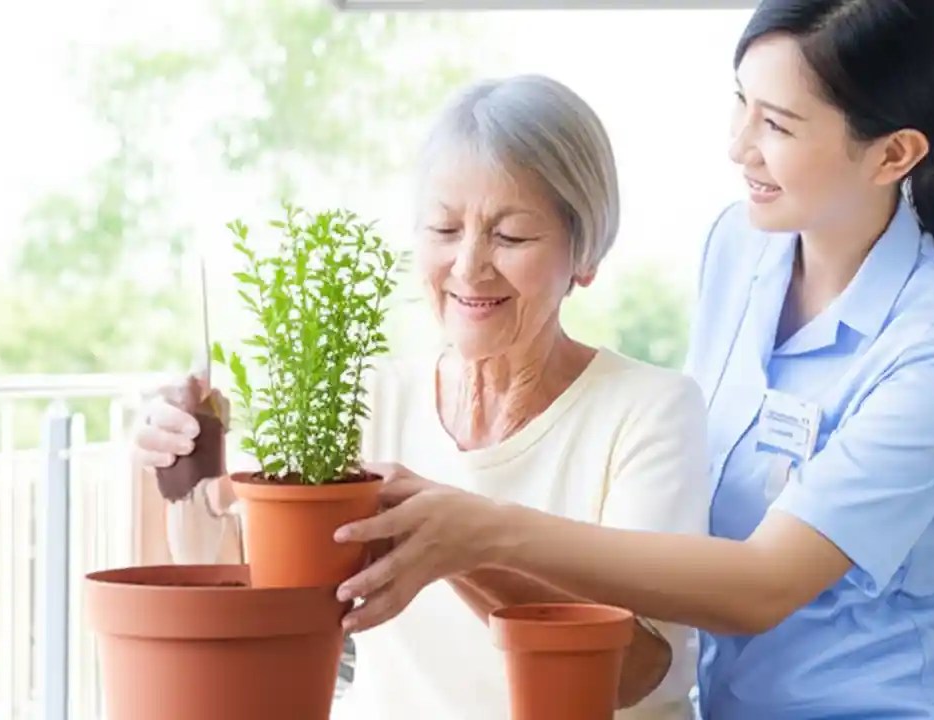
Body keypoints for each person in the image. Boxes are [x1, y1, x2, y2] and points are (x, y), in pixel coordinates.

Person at [329, 1, 934, 718]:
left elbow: (762, 584)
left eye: (775, 124)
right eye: (741, 103)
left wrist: (488, 531)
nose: (738, 145)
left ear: (894, 154)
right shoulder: (741, 247)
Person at [133, 74, 710, 719]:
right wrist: (187, 473)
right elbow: (245, 590)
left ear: (586, 253)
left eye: (511, 236)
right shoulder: (371, 398)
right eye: (442, 229)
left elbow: (635, 673)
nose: (468, 266)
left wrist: (468, 547)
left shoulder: (650, 411)